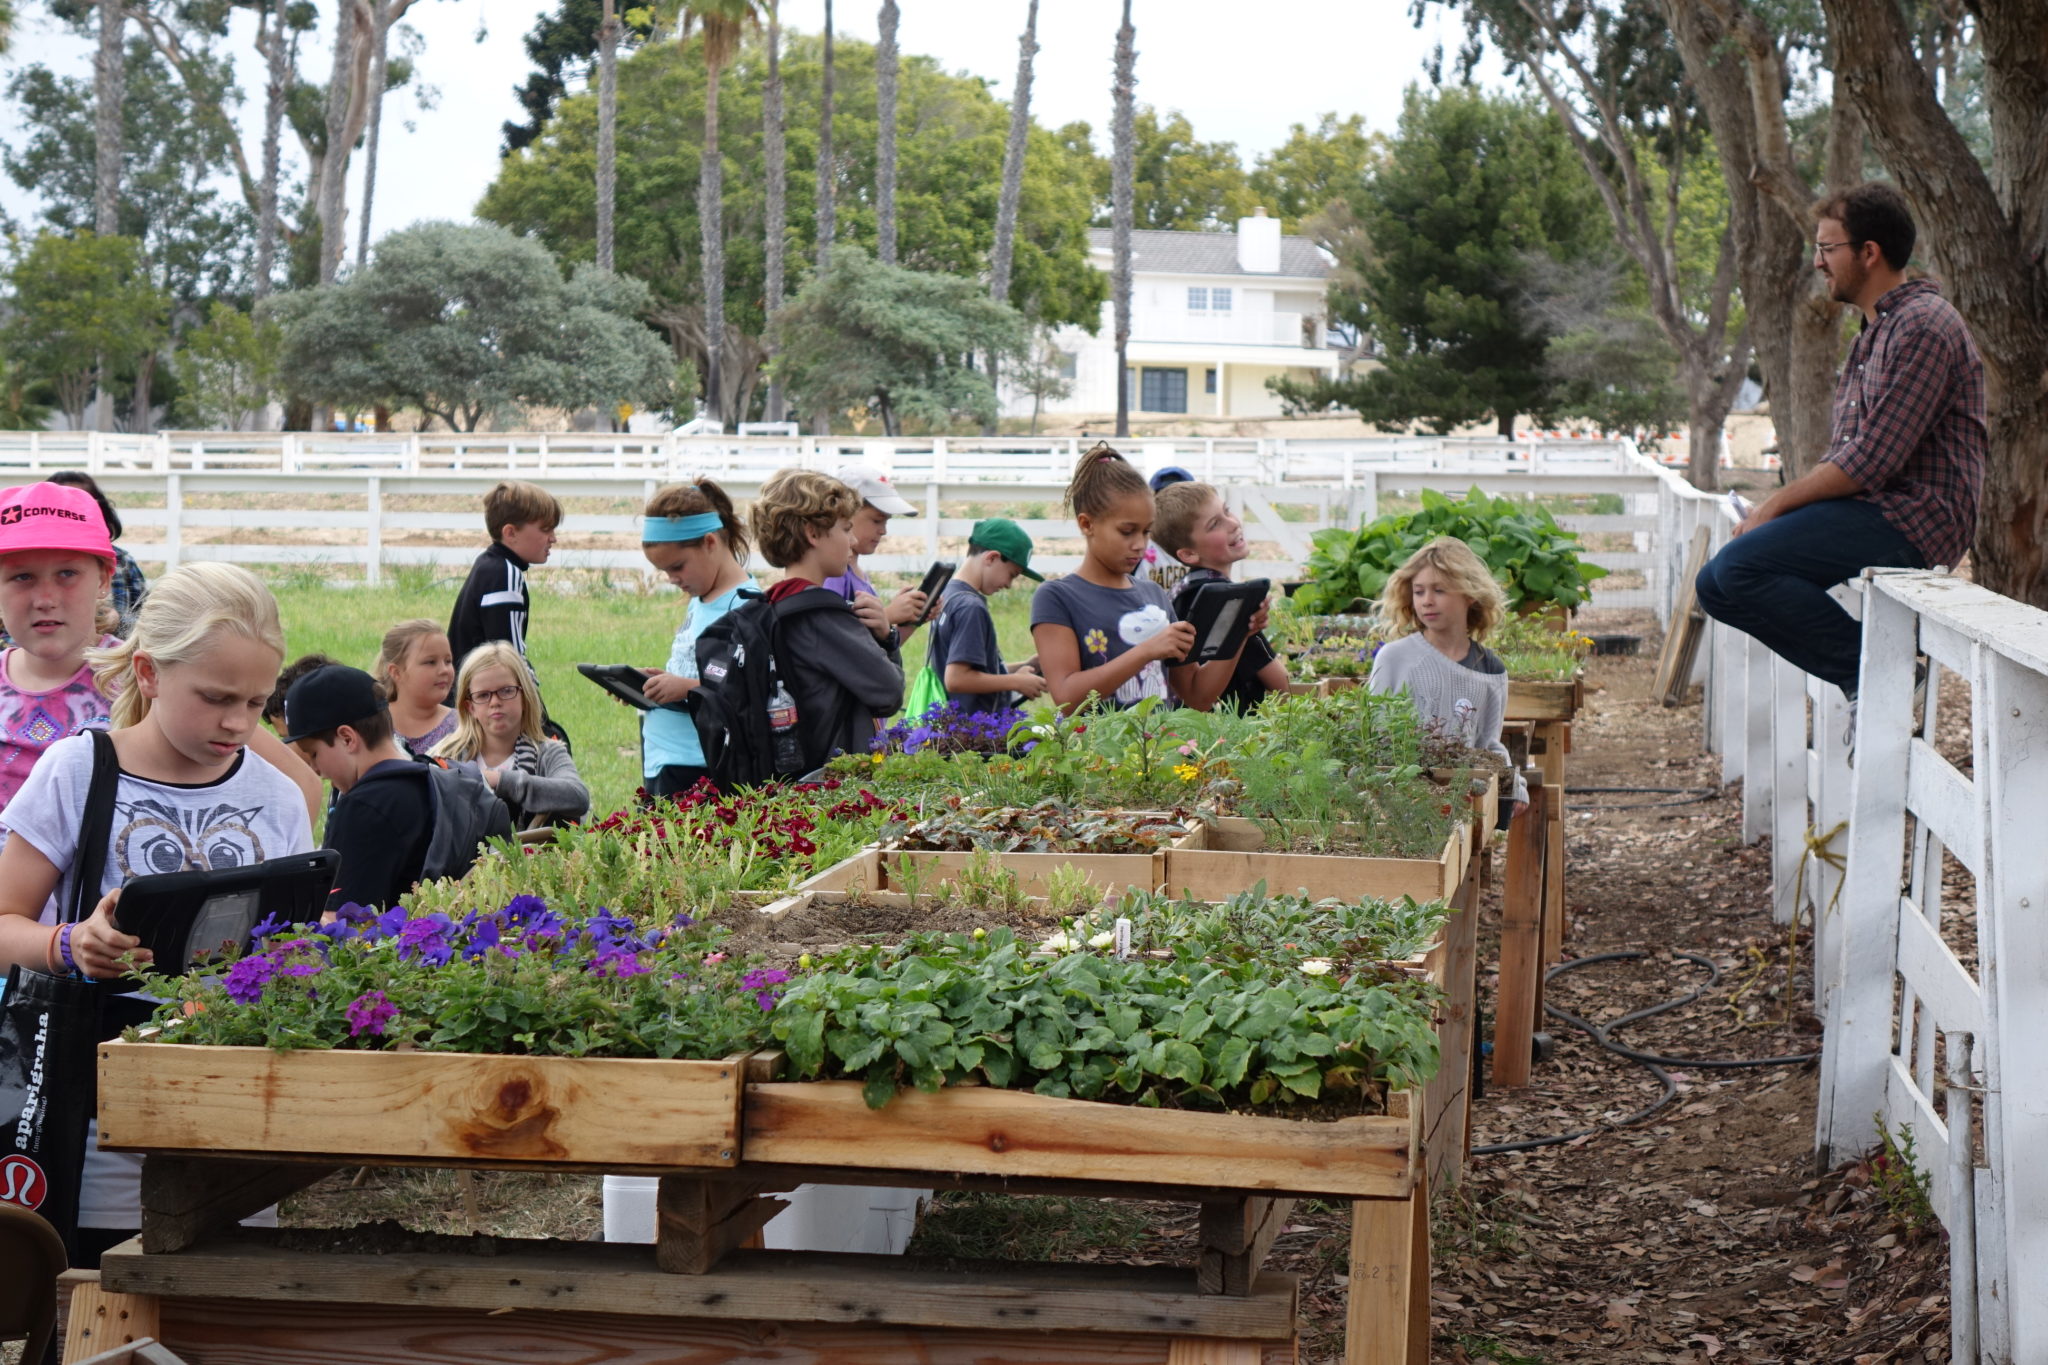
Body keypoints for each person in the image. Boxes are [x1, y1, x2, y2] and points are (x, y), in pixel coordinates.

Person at [0, 562, 315, 1267]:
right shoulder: (77, 770)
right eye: (215, 697)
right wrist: (69, 943)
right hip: (97, 1122)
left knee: (224, 1302)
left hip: (238, 1113)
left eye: (257, 702)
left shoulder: (278, 797)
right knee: (102, 1298)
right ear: (148, 673)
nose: (237, 722)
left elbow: (290, 945)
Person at [1694, 181, 1985, 708]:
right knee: (1715, 584)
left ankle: (1886, 678)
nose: (1817, 262)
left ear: (1868, 252)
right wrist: (1777, 512)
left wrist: (1773, 507)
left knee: (1738, 569)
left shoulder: (1924, 326)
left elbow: (1870, 460)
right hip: (1874, 508)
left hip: (1915, 516)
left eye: (1827, 248)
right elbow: (1848, 452)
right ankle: (1866, 678)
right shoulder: (1874, 332)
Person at [747, 469, 904, 765]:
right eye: (845, 529)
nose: (852, 539)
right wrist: (888, 638)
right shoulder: (824, 618)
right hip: (830, 779)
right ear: (813, 534)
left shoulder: (767, 607)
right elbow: (889, 694)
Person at [1031, 444, 1198, 714]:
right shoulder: (1057, 597)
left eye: (1146, 531)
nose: (1140, 544)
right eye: (1127, 531)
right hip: (1096, 743)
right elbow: (1067, 698)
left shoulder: (1154, 594)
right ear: (1087, 524)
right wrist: (1146, 650)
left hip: (1160, 742)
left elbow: (1197, 696)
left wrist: (1239, 632)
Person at [1367, 537, 1527, 814]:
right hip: (1400, 806)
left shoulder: (1490, 669)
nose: (1427, 601)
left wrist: (1514, 787)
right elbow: (1374, 738)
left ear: (1470, 595)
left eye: (1439, 590)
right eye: (1419, 592)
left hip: (1464, 806)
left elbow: (1488, 745)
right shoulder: (1394, 658)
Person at [0, 482, 122, 825]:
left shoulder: (144, 680)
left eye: (67, 574)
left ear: (103, 580)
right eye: (22, 576)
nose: (45, 599)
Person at [283, 664, 445, 912]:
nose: (316, 769)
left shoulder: (363, 806)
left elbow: (340, 921)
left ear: (347, 738)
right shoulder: (430, 776)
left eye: (314, 754)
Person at [638, 479, 757, 799]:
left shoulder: (745, 606)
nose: (672, 579)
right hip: (664, 757)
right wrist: (658, 683)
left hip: (699, 763)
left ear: (710, 542)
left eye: (677, 567)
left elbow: (747, 692)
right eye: (664, 571)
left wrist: (687, 688)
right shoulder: (701, 596)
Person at [1152, 481, 1288, 713]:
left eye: (1227, 511)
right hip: (1231, 729)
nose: (1233, 523)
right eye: (1215, 524)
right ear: (1188, 553)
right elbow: (1282, 685)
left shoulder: (1182, 592)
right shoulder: (1229, 601)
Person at [433, 642, 588, 830]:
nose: (495, 702)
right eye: (483, 695)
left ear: (524, 696)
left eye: (506, 691)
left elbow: (578, 796)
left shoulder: (547, 752)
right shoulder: (447, 755)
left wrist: (500, 781)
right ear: (470, 707)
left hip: (530, 849)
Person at [446, 480, 561, 700]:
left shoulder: (488, 565)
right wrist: (535, 708)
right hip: (481, 700)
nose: (553, 538)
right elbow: (510, 657)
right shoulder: (507, 575)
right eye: (545, 529)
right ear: (510, 533)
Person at [928, 518, 1046, 714]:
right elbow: (957, 679)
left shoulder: (949, 594)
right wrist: (1015, 682)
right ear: (991, 558)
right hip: (976, 728)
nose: (1009, 585)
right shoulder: (970, 607)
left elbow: (975, 671)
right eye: (1012, 574)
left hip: (955, 722)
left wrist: (1026, 666)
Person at [820, 464, 932, 649]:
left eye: (886, 521)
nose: (883, 530)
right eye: (877, 520)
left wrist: (911, 620)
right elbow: (831, 638)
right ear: (844, 514)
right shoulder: (835, 575)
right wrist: (888, 615)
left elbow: (878, 651)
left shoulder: (858, 575)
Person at [44, 471, 146, 635]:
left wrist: (118, 621)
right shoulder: (28, 562)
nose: (69, 516)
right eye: (59, 508)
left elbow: (146, 619)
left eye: (79, 506)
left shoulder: (123, 561)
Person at [373, 620, 458, 755]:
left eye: (448, 661)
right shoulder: (374, 724)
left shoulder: (461, 727)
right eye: (431, 662)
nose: (444, 670)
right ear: (396, 672)